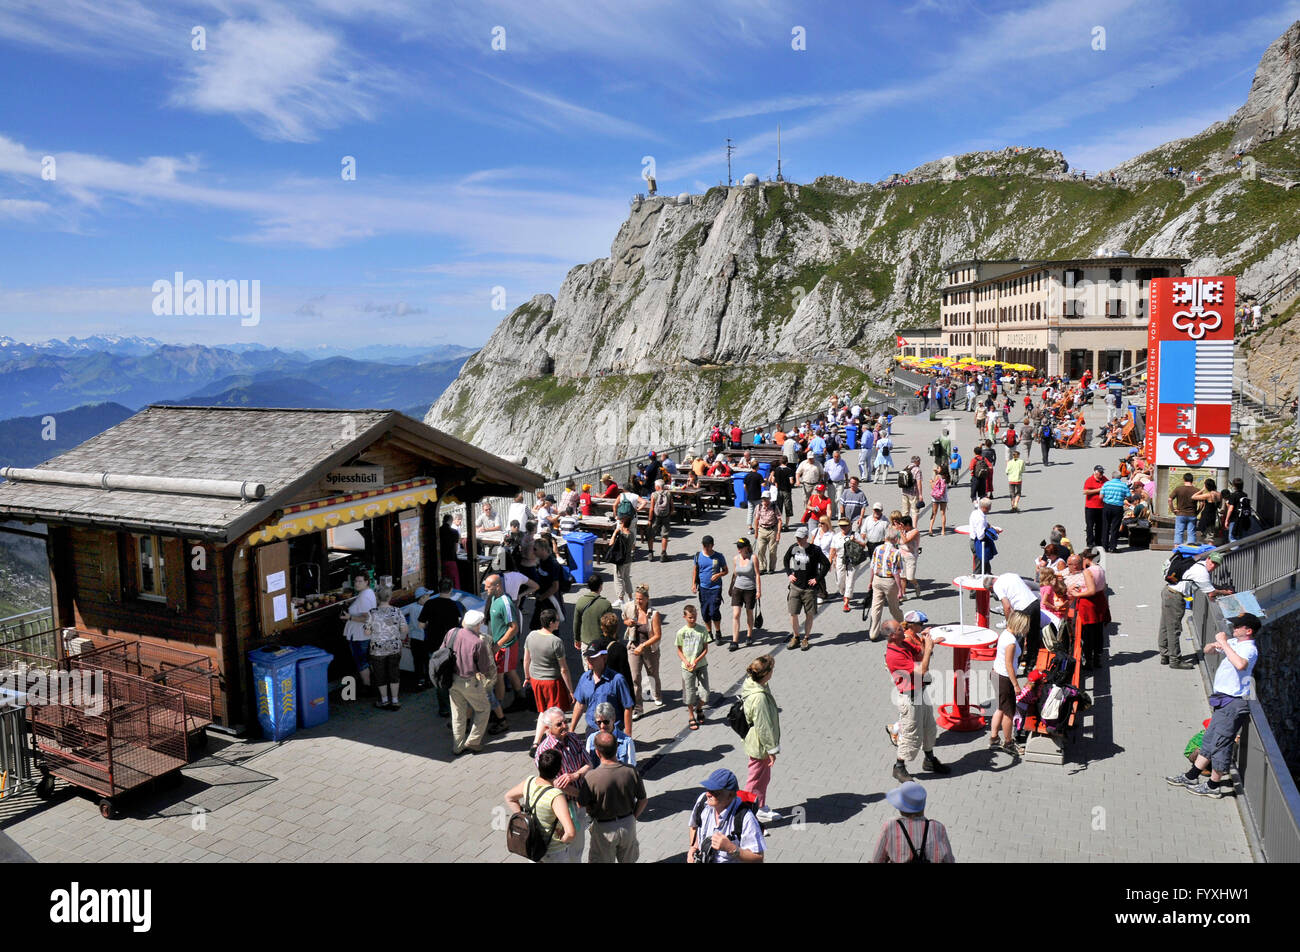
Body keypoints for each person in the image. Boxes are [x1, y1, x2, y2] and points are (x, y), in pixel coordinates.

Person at [1166, 613, 1262, 799]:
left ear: (1248, 631)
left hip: (1233, 703)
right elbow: (1208, 651)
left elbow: (1241, 665)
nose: (1234, 629)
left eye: (1238, 626)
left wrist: (1224, 644)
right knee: (1210, 739)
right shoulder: (1234, 643)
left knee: (1221, 744)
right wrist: (1215, 644)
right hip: (1223, 700)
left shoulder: (1249, 648)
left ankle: (1213, 785)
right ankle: (1191, 776)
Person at [884, 614, 950, 781]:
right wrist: (928, 649)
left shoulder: (903, 644)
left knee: (929, 728)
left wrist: (929, 642)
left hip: (920, 692)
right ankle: (899, 767)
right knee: (911, 734)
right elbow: (922, 669)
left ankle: (929, 759)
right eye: (900, 629)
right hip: (910, 698)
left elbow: (919, 655)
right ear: (892, 635)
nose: (904, 629)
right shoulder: (894, 655)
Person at [534, 705, 592, 860]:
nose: (564, 726)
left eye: (565, 721)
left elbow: (589, 763)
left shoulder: (573, 738)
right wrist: (581, 795)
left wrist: (575, 775)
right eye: (559, 724)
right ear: (548, 728)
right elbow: (554, 784)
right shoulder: (544, 752)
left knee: (577, 848)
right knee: (564, 848)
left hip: (579, 804)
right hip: (563, 808)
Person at [1158, 551, 1231, 669]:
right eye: (1212, 562)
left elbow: (1205, 585)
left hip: (1168, 592)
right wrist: (1224, 592)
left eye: (1216, 565)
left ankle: (1165, 655)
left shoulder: (1197, 564)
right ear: (1208, 559)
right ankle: (1175, 660)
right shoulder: (1202, 572)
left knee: (1165, 626)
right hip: (1175, 597)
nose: (1213, 566)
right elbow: (1211, 593)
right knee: (1174, 629)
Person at [504, 748, 577, 863]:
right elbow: (571, 832)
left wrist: (522, 817)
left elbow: (509, 797)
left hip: (533, 846)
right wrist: (563, 840)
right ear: (559, 770)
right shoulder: (555, 796)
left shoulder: (529, 782)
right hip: (553, 852)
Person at [584, 730, 647, 863]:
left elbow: (581, 803)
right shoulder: (631, 771)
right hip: (628, 825)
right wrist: (632, 817)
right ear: (616, 748)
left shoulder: (591, 777)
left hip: (604, 829)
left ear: (597, 752)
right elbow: (643, 800)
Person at [686, 769, 766, 863]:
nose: (708, 794)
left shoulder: (745, 817)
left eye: (715, 792)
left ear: (730, 795)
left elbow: (758, 858)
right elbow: (694, 826)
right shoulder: (703, 802)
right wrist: (693, 848)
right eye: (708, 789)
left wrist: (730, 848)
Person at [443, 610, 494, 756]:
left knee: (457, 714)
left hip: (451, 679)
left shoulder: (452, 632)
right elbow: (483, 667)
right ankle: (473, 741)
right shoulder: (478, 642)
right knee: (483, 709)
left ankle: (457, 746)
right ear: (478, 625)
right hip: (470, 681)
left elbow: (442, 650)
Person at [871, 781, 956, 863]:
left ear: (900, 807)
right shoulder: (938, 827)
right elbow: (949, 860)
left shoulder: (890, 826)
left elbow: (877, 860)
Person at [741, 654, 783, 823]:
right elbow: (763, 726)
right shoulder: (759, 697)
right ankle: (743, 815)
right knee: (754, 780)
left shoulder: (755, 684)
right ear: (766, 674)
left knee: (763, 778)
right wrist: (772, 749)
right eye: (772, 669)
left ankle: (760, 807)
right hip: (759, 745)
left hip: (758, 743)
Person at [482, 573, 522, 732]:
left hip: (505, 647)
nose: (485, 589)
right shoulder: (493, 598)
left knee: (499, 675)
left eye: (487, 586)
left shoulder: (505, 603)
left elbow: (514, 628)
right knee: (509, 671)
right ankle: (520, 697)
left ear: (497, 586)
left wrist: (498, 645)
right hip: (499, 645)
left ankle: (497, 708)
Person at [418, 577, 463, 715]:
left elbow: (421, 624)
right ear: (451, 589)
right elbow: (461, 624)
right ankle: (457, 705)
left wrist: (428, 625)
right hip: (452, 645)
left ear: (438, 589)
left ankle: (444, 708)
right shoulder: (456, 605)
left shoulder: (429, 604)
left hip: (434, 645)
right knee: (455, 675)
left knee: (439, 677)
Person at [571, 641, 635, 736]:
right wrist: (571, 730)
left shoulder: (617, 680)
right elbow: (580, 704)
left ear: (604, 658)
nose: (589, 660)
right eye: (588, 657)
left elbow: (628, 707)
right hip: (592, 729)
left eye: (593, 657)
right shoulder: (585, 678)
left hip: (612, 730)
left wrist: (628, 734)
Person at [784, 524, 830, 651]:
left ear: (806, 537)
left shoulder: (815, 550)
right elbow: (786, 560)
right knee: (793, 613)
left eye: (800, 538)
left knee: (809, 614)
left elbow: (826, 564)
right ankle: (796, 636)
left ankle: (806, 638)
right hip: (795, 587)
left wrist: (817, 579)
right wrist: (789, 574)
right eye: (796, 537)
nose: (797, 540)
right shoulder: (793, 548)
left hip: (809, 589)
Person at [524, 607, 575, 719]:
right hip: (551, 683)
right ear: (551, 623)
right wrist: (571, 690)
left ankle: (541, 736)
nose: (559, 622)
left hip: (535, 680)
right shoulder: (556, 641)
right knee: (554, 715)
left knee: (544, 713)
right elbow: (564, 669)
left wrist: (527, 677)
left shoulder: (531, 635)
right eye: (557, 620)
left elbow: (526, 660)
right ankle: (551, 735)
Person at [364, 586, 408, 710]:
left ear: (377, 598)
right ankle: (395, 700)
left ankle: (384, 700)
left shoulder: (372, 612)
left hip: (377, 649)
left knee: (380, 675)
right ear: (390, 597)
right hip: (394, 647)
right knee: (394, 673)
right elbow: (404, 629)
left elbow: (367, 633)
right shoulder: (397, 611)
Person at [624, 584, 664, 717]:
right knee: (635, 677)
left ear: (647, 599)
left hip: (649, 648)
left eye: (641, 599)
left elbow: (658, 635)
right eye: (636, 598)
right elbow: (624, 618)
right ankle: (638, 707)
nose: (638, 602)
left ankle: (656, 694)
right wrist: (627, 622)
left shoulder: (654, 614)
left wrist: (644, 645)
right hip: (633, 647)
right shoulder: (631, 608)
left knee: (652, 673)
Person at [989, 611, 1024, 757]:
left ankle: (994, 738)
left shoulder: (1005, 634)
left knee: (1000, 708)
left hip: (997, 674)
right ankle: (1008, 743)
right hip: (1005, 678)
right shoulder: (1010, 641)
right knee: (1009, 713)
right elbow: (1009, 664)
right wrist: (1016, 685)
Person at [675, 603, 712, 731]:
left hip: (701, 665)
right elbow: (679, 650)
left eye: (695, 616)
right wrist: (686, 661)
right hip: (687, 667)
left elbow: (705, 649)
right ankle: (691, 715)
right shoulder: (681, 632)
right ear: (684, 617)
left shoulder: (702, 630)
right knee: (689, 693)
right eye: (690, 617)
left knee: (705, 694)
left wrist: (696, 660)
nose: (693, 619)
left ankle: (699, 708)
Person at [867, 528, 905, 641]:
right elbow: (896, 572)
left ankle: (873, 633)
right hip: (889, 581)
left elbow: (873, 567)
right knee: (894, 607)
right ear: (895, 539)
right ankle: (902, 626)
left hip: (877, 580)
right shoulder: (896, 552)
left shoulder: (877, 549)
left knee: (876, 607)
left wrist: (870, 581)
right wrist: (900, 589)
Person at [341, 573, 376, 692]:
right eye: (355, 581)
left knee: (362, 662)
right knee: (367, 660)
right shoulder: (368, 593)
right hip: (364, 634)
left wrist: (350, 617)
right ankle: (372, 684)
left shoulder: (363, 597)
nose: (356, 583)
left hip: (359, 635)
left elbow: (367, 618)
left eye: (360, 581)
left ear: (367, 582)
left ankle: (367, 686)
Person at [691, 535, 728, 640]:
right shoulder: (698, 556)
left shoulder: (719, 556)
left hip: (715, 588)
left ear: (713, 545)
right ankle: (709, 632)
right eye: (705, 546)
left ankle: (718, 632)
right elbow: (695, 570)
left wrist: (718, 575)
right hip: (703, 588)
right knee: (705, 612)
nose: (706, 548)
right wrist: (694, 584)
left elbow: (726, 571)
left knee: (714, 611)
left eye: (709, 546)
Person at [729, 537, 762, 649]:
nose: (738, 549)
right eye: (737, 547)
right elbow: (735, 574)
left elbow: (757, 574)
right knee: (736, 614)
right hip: (737, 589)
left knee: (749, 613)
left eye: (740, 547)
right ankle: (735, 641)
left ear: (746, 548)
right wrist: (731, 587)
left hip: (750, 590)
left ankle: (749, 635)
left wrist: (758, 590)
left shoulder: (753, 558)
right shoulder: (735, 559)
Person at [573, 574, 613, 660]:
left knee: (588, 669)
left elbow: (576, 623)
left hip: (585, 642)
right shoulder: (605, 604)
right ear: (601, 586)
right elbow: (610, 625)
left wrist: (577, 639)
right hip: (601, 644)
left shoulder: (580, 601)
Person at [585, 701, 636, 767]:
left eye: (606, 722)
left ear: (613, 719)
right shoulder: (591, 739)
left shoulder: (627, 742)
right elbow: (588, 765)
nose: (602, 726)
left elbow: (631, 768)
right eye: (599, 722)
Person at [403, 586, 433, 691]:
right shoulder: (427, 609)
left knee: (417, 661)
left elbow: (401, 613)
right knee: (426, 660)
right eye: (427, 596)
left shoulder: (411, 606)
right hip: (423, 638)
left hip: (414, 638)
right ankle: (428, 680)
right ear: (422, 598)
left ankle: (419, 682)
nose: (429, 598)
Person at [1099, 470, 1133, 553]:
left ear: (1112, 477)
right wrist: (1123, 498)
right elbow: (1129, 497)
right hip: (1117, 507)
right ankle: (1113, 547)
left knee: (1105, 526)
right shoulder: (1123, 485)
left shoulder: (1106, 484)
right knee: (1115, 527)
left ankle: (1105, 546)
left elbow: (1101, 496)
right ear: (1120, 477)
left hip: (1107, 506)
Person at [608, 515, 635, 607]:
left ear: (623, 524)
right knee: (626, 578)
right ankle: (630, 597)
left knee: (618, 579)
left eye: (620, 523)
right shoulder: (631, 534)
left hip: (620, 560)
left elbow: (611, 543)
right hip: (628, 559)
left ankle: (620, 599)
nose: (619, 524)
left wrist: (614, 534)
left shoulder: (621, 535)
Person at [753, 493, 782, 573]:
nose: (764, 500)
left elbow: (779, 520)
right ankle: (762, 567)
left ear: (769, 498)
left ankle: (772, 568)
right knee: (760, 549)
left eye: (766, 498)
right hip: (762, 530)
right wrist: (756, 532)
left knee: (772, 551)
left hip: (772, 530)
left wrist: (778, 533)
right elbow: (756, 520)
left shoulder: (774, 507)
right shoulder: (758, 507)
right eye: (763, 498)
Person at [647, 479, 674, 562]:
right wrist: (669, 514)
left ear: (658, 487)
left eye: (655, 486)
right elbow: (672, 506)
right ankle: (663, 554)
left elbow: (651, 509)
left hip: (656, 516)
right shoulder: (668, 493)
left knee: (651, 534)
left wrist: (650, 519)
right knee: (665, 535)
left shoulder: (654, 495)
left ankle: (651, 553)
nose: (654, 487)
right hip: (666, 516)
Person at [1168, 472, 1198, 546]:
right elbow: (1202, 503)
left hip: (1180, 513)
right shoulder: (1196, 490)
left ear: (1184, 479)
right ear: (1192, 480)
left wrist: (1173, 509)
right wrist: (1197, 511)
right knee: (1191, 532)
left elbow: (1169, 499)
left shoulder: (1178, 489)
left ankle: (1177, 550)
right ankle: (1190, 550)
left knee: (1179, 532)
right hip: (1192, 514)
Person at [1222, 477, 1253, 543]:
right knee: (1241, 537)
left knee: (1232, 537)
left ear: (1234, 486)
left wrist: (1226, 520)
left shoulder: (1233, 495)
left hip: (1234, 519)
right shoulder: (1245, 494)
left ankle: (1235, 552)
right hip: (1243, 518)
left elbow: (1230, 509)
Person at [897, 515, 921, 601]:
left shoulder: (915, 532)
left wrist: (900, 532)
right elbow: (898, 541)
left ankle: (916, 585)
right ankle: (903, 594)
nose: (901, 526)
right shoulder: (903, 531)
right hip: (901, 555)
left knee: (910, 577)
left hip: (911, 556)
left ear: (908, 524)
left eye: (902, 525)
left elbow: (906, 540)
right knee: (902, 576)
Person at [969, 498, 996, 574]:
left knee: (985, 564)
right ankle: (976, 581)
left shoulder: (975, 513)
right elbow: (980, 535)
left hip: (973, 540)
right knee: (979, 566)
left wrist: (988, 525)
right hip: (978, 543)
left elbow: (984, 524)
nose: (990, 509)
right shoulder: (980, 519)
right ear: (984, 508)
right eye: (989, 507)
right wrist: (991, 533)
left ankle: (988, 576)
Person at [1192, 478, 1222, 546]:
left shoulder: (1208, 495)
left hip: (1206, 516)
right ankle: (1209, 550)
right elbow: (1219, 506)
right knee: (1210, 536)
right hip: (1213, 516)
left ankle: (1206, 550)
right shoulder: (1219, 494)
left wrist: (1202, 489)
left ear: (1207, 486)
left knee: (1205, 535)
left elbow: (1193, 497)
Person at [439, 512, 462, 589]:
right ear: (451, 521)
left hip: (440, 560)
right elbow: (455, 548)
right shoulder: (454, 532)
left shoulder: (438, 531)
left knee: (444, 579)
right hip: (451, 559)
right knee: (454, 580)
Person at [899, 455, 923, 524]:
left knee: (905, 511)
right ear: (917, 461)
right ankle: (914, 527)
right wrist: (920, 494)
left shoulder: (907, 467)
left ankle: (904, 527)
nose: (920, 462)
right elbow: (919, 483)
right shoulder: (917, 470)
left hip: (904, 491)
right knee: (914, 511)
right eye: (919, 461)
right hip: (913, 493)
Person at [928, 466, 948, 536]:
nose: (937, 469)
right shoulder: (947, 477)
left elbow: (933, 487)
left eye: (938, 468)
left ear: (941, 470)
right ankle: (943, 531)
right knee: (943, 514)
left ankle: (930, 529)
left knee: (934, 513)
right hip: (943, 497)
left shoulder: (938, 476)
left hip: (936, 497)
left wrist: (931, 482)